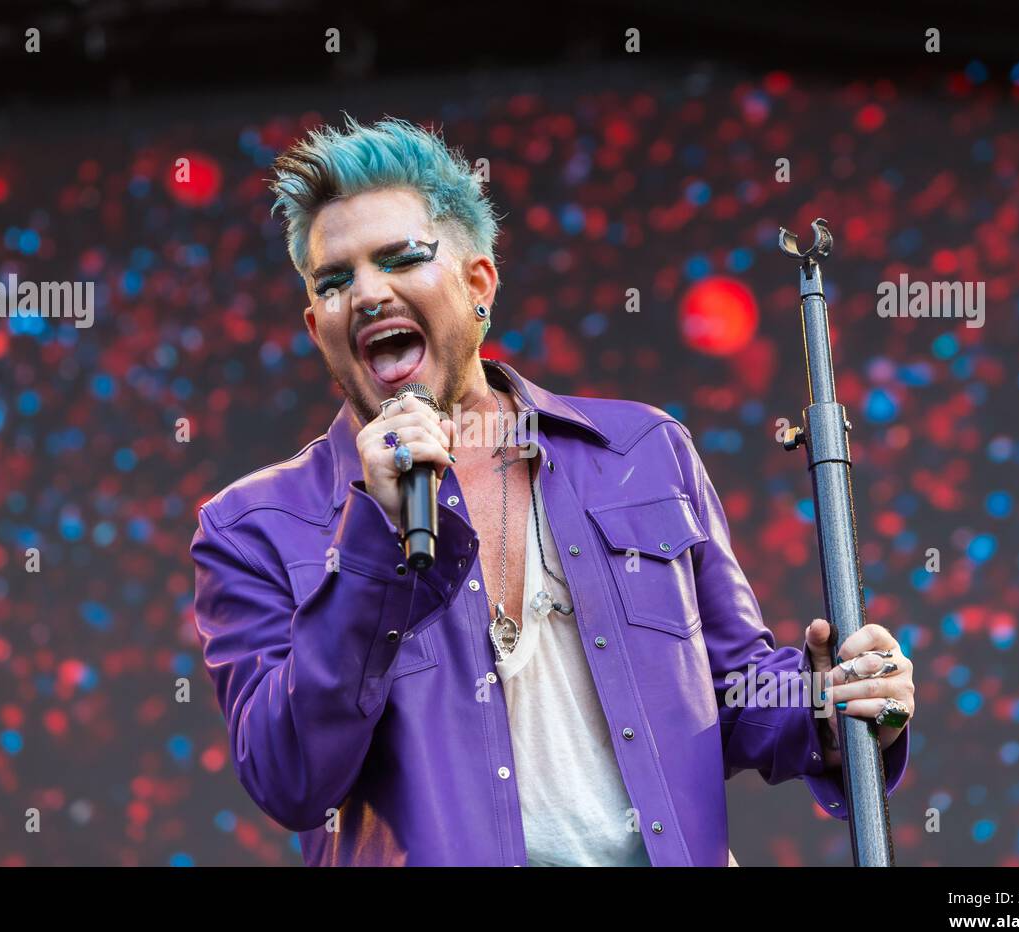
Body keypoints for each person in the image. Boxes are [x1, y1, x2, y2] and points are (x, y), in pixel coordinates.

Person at [190, 114, 914, 866]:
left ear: (478, 285)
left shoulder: (642, 451)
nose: (367, 294)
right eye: (334, 281)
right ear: (317, 326)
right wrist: (372, 537)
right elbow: (290, 778)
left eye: (399, 259)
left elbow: (731, 697)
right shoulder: (252, 528)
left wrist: (825, 704)